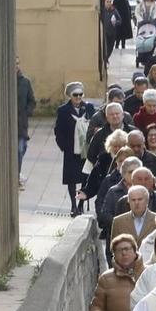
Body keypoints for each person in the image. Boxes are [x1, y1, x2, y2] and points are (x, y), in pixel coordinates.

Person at [55, 82, 97, 214]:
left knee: (85, 178)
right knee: (71, 179)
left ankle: (81, 204)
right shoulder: (63, 110)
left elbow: (95, 124)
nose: (78, 97)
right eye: (75, 95)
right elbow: (58, 130)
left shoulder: (89, 108)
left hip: (86, 149)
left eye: (80, 94)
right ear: (70, 95)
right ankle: (73, 205)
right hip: (71, 150)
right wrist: (64, 147)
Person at [15, 58, 37, 188]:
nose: (16, 66)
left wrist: (27, 112)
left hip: (21, 124)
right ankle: (14, 175)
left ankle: (16, 175)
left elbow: (31, 101)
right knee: (16, 150)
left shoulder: (25, 82)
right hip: (9, 124)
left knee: (20, 150)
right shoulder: (5, 81)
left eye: (17, 63)